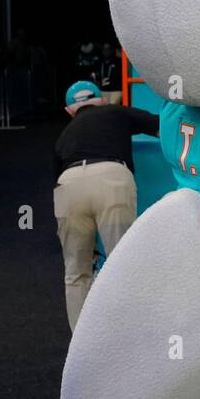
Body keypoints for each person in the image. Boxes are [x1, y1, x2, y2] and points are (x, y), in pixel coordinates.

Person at [52, 80, 160, 330]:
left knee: (76, 272)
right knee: (122, 263)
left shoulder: (63, 136)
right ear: (101, 100)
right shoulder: (115, 111)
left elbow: (54, 182)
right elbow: (161, 126)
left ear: (69, 110)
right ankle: (128, 336)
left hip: (67, 185)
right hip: (111, 178)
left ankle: (81, 343)